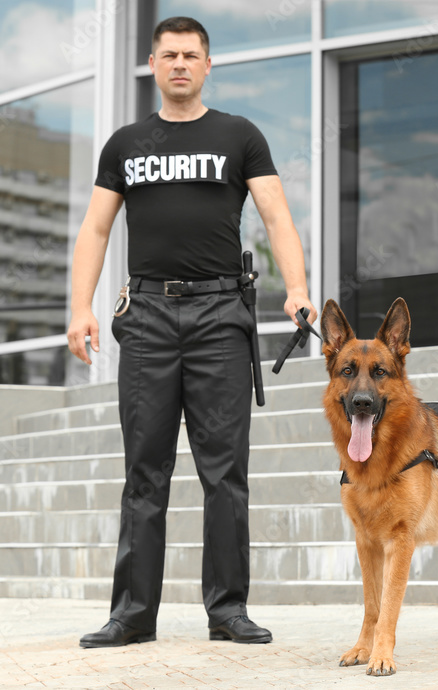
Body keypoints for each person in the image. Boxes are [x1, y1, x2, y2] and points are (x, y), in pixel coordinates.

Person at [66, 16, 317, 648]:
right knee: (144, 471)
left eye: (191, 55)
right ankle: (131, 614)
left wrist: (298, 289)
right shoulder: (125, 144)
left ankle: (228, 610)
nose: (180, 64)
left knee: (225, 471)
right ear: (153, 63)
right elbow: (96, 230)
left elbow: (276, 214)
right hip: (147, 319)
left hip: (219, 319)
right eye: (170, 55)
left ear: (208, 65)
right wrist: (81, 307)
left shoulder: (240, 135)